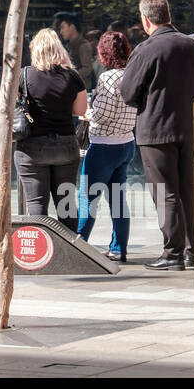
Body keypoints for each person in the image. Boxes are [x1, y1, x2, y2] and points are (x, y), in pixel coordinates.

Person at [118, 0, 194, 271]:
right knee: (188, 191)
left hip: (156, 130)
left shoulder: (146, 49)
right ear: (167, 14)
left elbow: (128, 92)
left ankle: (172, 253)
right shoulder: (193, 46)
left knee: (164, 191)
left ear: (146, 20)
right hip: (191, 127)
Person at [15, 28, 87, 225]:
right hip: (66, 144)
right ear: (60, 49)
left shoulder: (24, 75)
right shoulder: (73, 76)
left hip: (32, 148)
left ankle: (42, 253)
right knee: (66, 204)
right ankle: (71, 250)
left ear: (35, 50)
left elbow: (13, 107)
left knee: (36, 205)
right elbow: (80, 110)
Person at [77, 30, 137, 262]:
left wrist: (86, 113)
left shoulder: (108, 77)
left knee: (88, 199)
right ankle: (118, 248)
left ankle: (79, 247)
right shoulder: (132, 74)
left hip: (103, 146)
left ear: (103, 52)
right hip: (126, 142)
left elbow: (102, 114)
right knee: (118, 200)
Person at [53, 11, 96, 89]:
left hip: (82, 89)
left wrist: (68, 75)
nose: (61, 31)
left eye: (63, 27)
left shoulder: (83, 45)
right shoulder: (69, 45)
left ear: (72, 27)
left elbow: (87, 68)